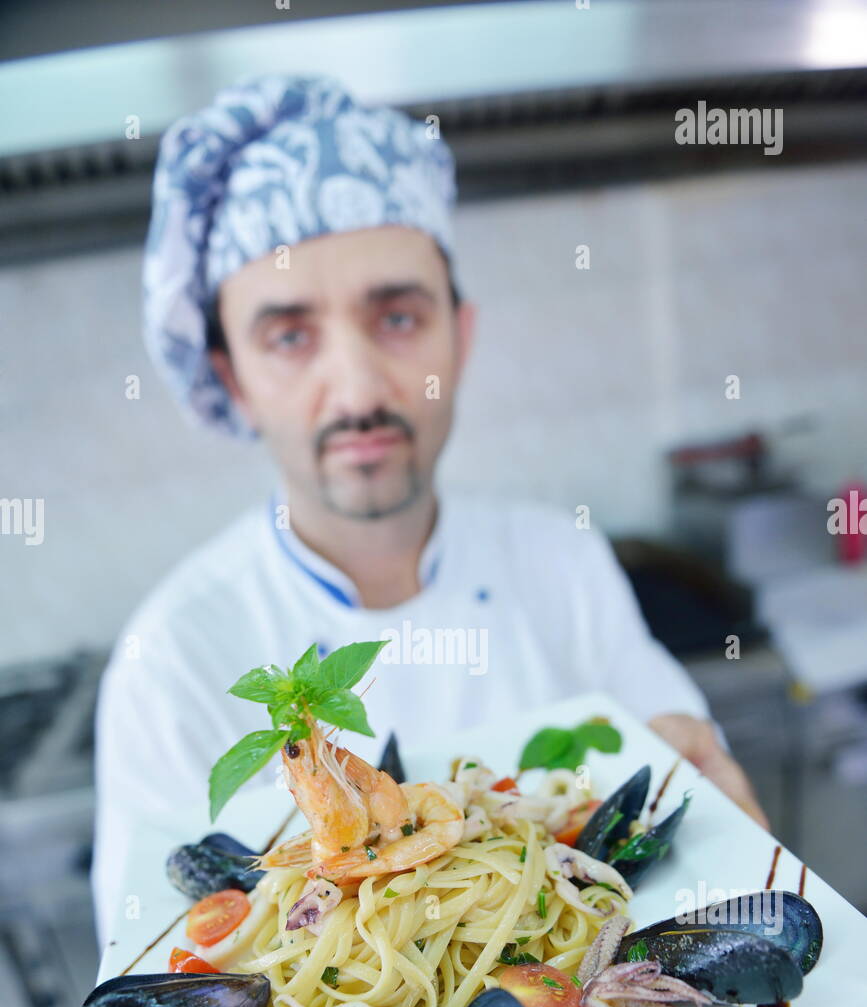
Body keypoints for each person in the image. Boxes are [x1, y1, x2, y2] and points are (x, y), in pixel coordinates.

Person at [91, 74, 766, 948]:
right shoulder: (171, 660)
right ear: (231, 379)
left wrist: (718, 810)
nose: (360, 387)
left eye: (398, 317)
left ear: (462, 332)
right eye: (289, 336)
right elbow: (154, 958)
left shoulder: (561, 559)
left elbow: (691, 818)